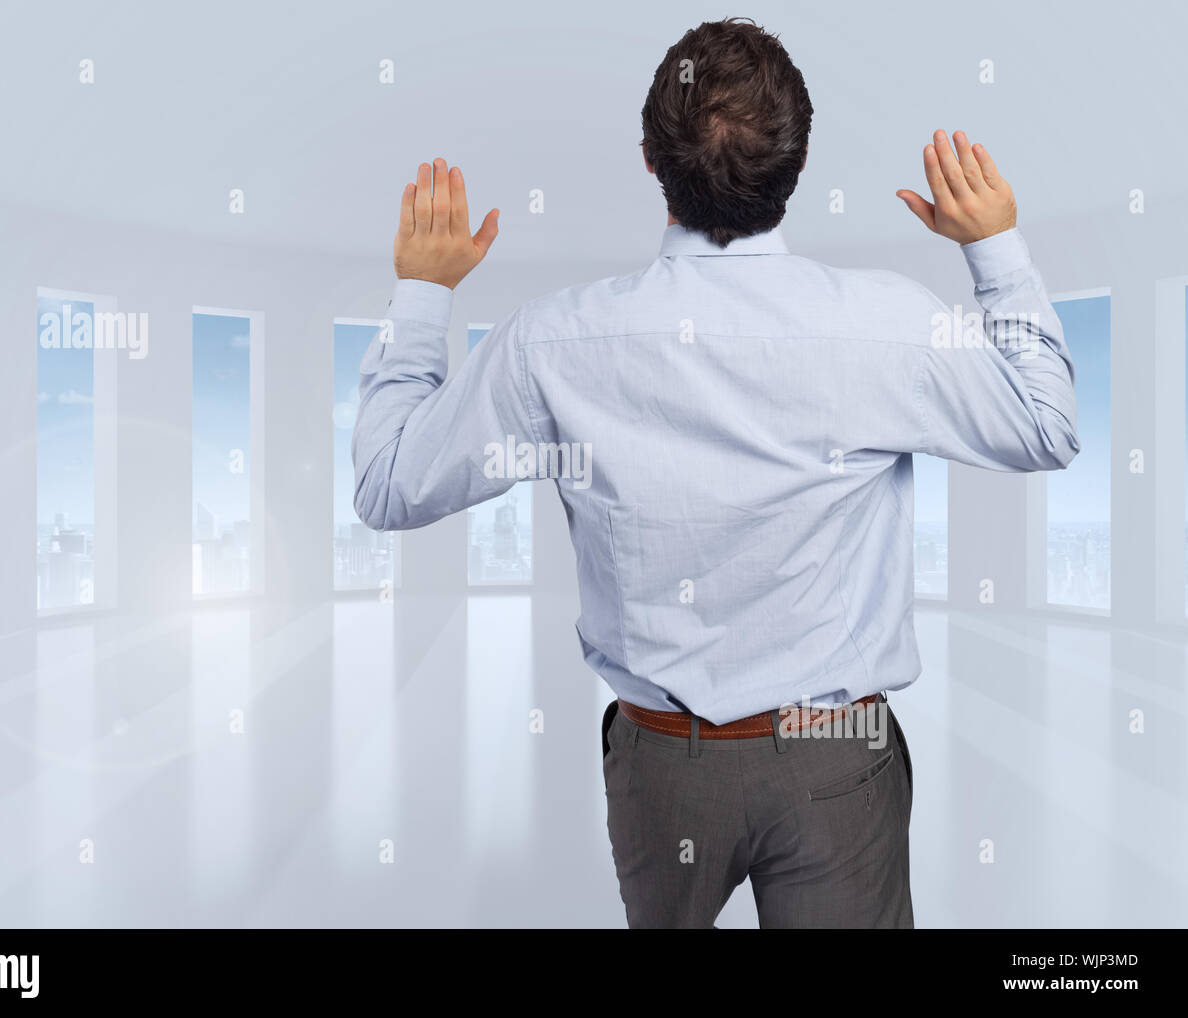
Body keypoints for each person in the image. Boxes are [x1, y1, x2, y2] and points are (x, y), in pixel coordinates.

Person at [351, 17, 1079, 928]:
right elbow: (1046, 427)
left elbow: (387, 484)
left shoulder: (554, 343)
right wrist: (997, 250)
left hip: (663, 766)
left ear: (652, 162)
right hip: (837, 757)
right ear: (799, 161)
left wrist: (421, 295)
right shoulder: (888, 325)